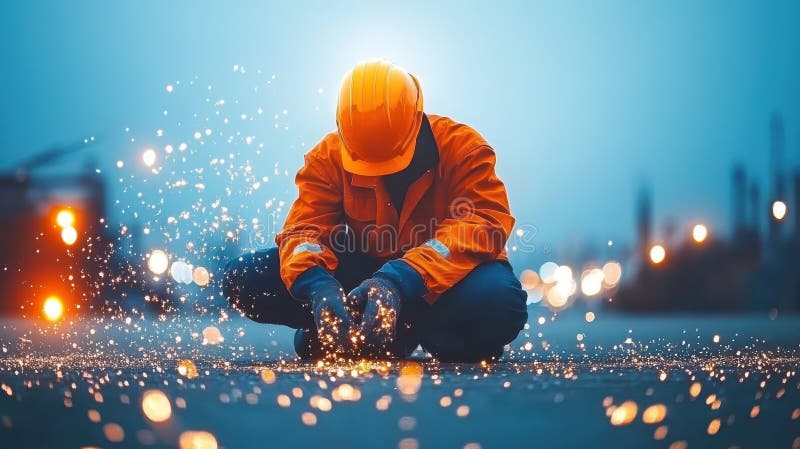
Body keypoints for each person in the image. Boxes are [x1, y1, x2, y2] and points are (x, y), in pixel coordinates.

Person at [222, 60, 527, 362]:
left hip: (442, 285)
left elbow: (483, 222)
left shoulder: (463, 148)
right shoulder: (326, 158)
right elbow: (304, 232)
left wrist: (399, 279)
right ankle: (365, 328)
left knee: (500, 303)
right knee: (244, 279)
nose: (380, 173)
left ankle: (411, 332)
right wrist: (318, 287)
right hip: (362, 281)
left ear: (416, 121)